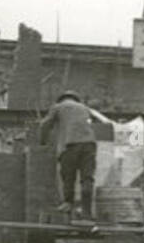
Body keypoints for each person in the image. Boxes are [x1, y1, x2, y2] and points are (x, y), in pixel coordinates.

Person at [37, 91, 112, 221]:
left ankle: (68, 203)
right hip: (90, 144)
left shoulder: (58, 107)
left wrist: (42, 142)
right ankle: (86, 212)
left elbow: (45, 124)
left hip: (70, 145)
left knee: (68, 176)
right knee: (87, 178)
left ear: (61, 99)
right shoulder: (84, 108)